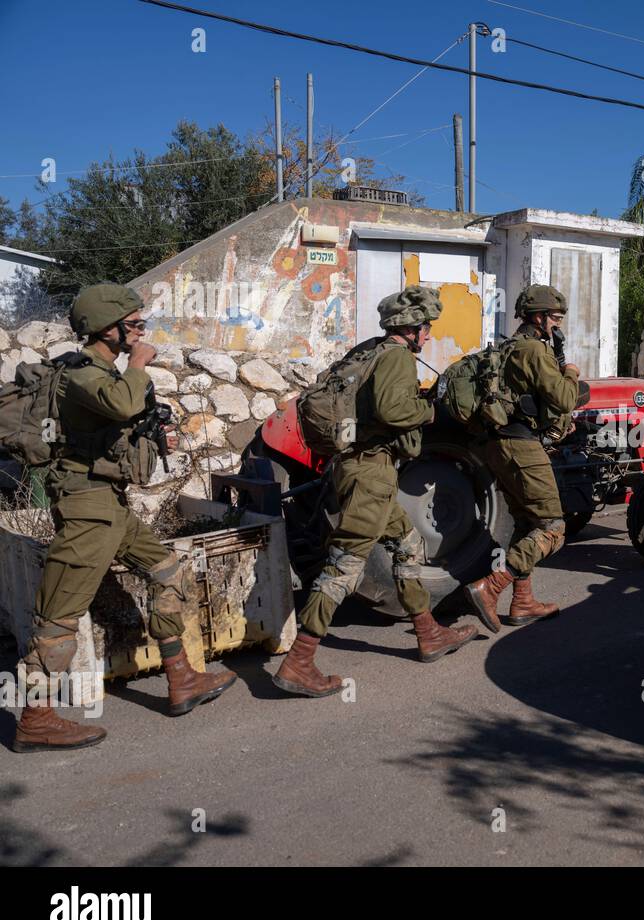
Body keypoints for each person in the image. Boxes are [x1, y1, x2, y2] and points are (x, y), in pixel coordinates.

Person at [14, 283, 237, 752]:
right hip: (86, 508)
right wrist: (139, 363)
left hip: (109, 504)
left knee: (167, 570)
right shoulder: (82, 374)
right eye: (133, 325)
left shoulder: (104, 372)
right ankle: (35, 718)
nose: (141, 333)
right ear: (105, 329)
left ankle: (181, 677)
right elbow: (121, 404)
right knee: (58, 617)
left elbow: (120, 426)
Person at [273, 285, 476, 698]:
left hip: (357, 469)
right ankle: (299, 660)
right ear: (414, 327)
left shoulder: (367, 351)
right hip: (370, 473)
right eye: (428, 327)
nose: (430, 335)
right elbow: (393, 410)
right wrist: (432, 410)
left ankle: (427, 631)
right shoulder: (398, 357)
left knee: (407, 543)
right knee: (344, 566)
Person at [461, 284, 580, 633]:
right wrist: (570, 370)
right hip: (521, 446)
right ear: (539, 317)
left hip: (498, 445)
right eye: (555, 319)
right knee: (553, 528)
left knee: (528, 525)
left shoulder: (508, 347)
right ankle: (492, 586)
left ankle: (523, 601)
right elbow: (564, 399)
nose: (557, 326)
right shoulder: (533, 351)